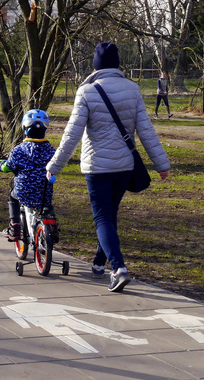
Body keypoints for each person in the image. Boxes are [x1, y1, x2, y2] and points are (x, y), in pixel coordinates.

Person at [45, 42, 171, 293]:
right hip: (124, 166)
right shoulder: (132, 89)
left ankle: (118, 269)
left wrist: (54, 166)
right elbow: (146, 129)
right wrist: (161, 164)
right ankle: (98, 264)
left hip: (97, 168)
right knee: (110, 215)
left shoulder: (86, 91)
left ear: (96, 65)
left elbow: (72, 135)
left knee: (103, 217)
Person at [0, 109, 56, 241]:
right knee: (47, 205)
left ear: (25, 128)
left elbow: (9, 166)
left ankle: (15, 227)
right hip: (44, 192)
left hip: (23, 191)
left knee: (12, 198)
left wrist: (0, 166)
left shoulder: (19, 150)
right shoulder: (51, 151)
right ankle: (52, 227)